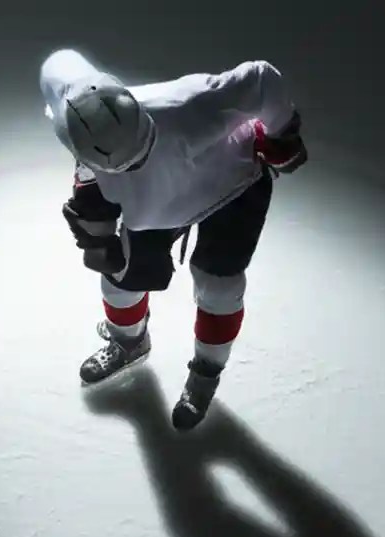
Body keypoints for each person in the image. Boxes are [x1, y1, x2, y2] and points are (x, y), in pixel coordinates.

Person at [39, 48, 307, 430]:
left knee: (219, 286)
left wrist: (280, 135)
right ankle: (129, 341)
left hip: (231, 187)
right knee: (119, 278)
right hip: (150, 208)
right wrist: (95, 229)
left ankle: (205, 373)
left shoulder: (191, 102)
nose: (134, 164)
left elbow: (262, 78)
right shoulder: (78, 120)